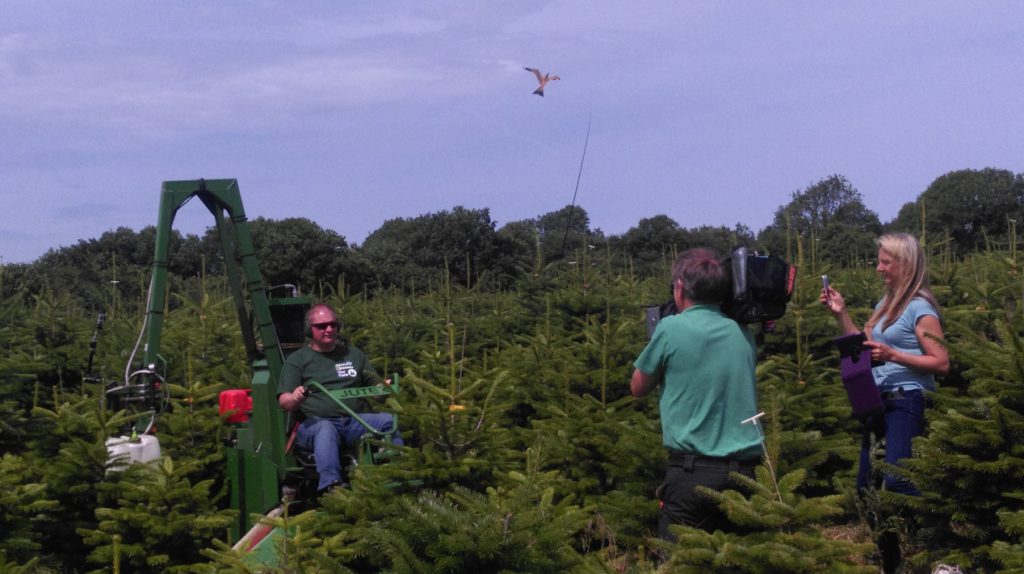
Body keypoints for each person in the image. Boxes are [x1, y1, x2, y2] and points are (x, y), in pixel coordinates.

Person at [631, 248, 763, 540]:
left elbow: (637, 387)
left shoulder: (670, 328)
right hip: (746, 474)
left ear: (680, 288)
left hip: (692, 471)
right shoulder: (742, 332)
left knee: (680, 560)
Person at [820, 232, 949, 496]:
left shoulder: (919, 308)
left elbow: (941, 362)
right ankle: (884, 538)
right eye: (879, 262)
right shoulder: (884, 305)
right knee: (865, 487)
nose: (879, 269)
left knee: (897, 480)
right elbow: (865, 344)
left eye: (885, 262)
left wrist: (894, 356)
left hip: (908, 398)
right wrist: (841, 313)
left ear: (906, 263)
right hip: (879, 400)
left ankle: (930, 528)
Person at [278, 303, 402, 493]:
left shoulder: (353, 355)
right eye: (321, 326)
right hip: (315, 424)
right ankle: (332, 486)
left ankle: (398, 470)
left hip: (353, 420)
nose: (328, 329)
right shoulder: (298, 360)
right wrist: (295, 398)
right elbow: (284, 400)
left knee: (387, 421)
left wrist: (382, 388)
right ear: (309, 330)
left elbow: (375, 391)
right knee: (325, 429)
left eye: (332, 324)